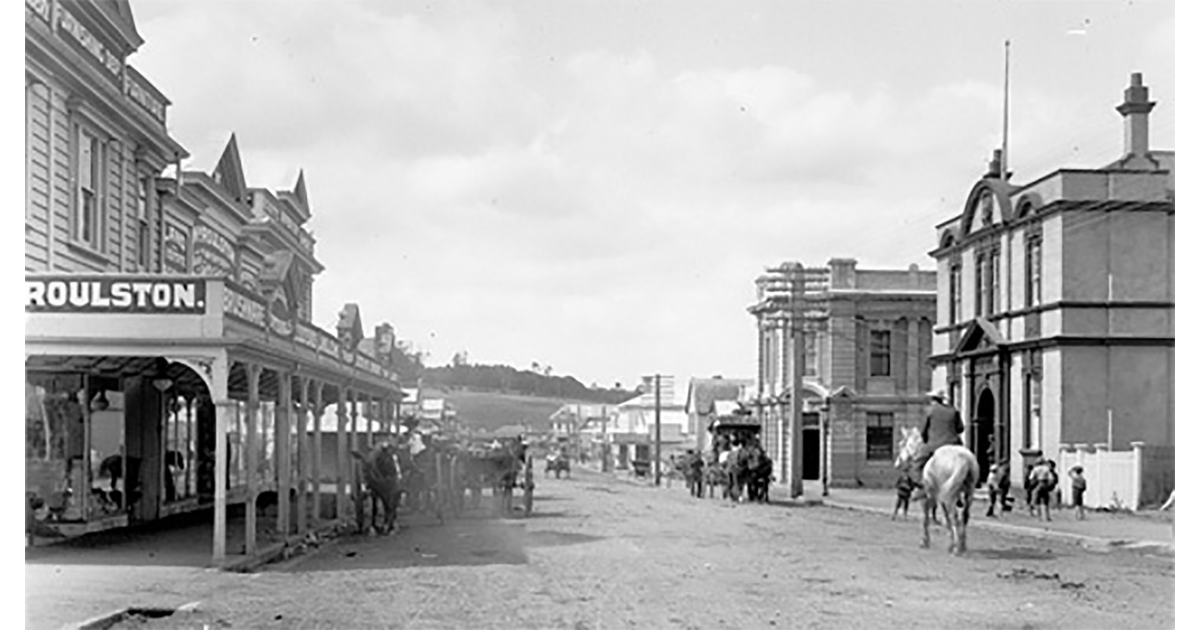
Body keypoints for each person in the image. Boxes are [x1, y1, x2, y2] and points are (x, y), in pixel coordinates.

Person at [909, 390, 965, 476]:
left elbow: (923, 431)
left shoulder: (929, 411)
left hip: (934, 446)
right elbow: (960, 429)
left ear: (933, 400)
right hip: (954, 444)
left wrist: (925, 441)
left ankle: (921, 485)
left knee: (916, 466)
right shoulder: (953, 410)